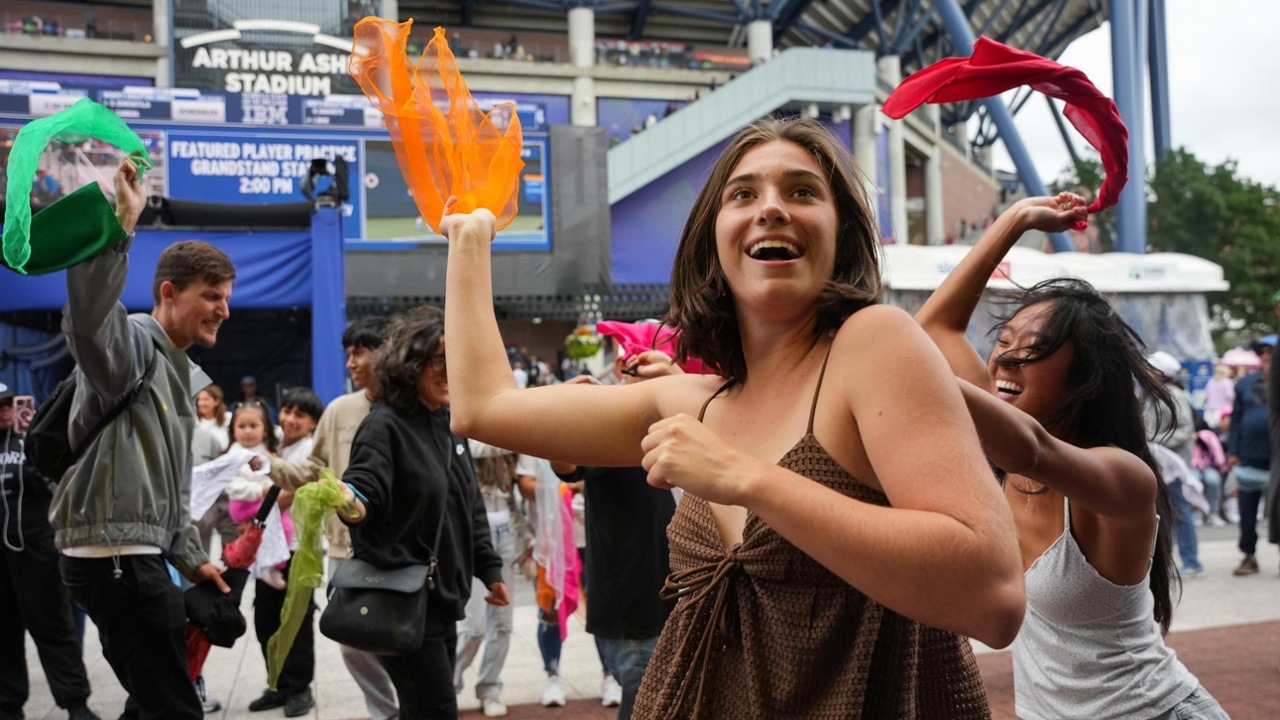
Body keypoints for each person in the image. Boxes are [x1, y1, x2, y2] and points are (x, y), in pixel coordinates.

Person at [442, 117, 1024, 716]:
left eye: (802, 191)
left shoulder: (874, 343)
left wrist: (744, 477)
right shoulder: (692, 401)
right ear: (712, 241)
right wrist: (469, 237)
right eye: (743, 194)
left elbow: (993, 596)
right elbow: (483, 408)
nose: (771, 208)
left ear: (842, 235)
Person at [915, 191, 1228, 719]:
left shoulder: (1121, 477)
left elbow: (1031, 448)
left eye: (1034, 348)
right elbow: (932, 331)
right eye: (1004, 341)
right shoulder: (1005, 446)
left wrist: (901, 364)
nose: (1006, 359)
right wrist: (1015, 220)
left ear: (1087, 382)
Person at [51, 158, 231, 719]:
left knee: (154, 700)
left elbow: (170, 485)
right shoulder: (131, 343)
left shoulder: (178, 371)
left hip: (135, 554)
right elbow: (87, 323)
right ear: (169, 292)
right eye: (211, 295)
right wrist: (120, 227)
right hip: (115, 557)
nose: (224, 310)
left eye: (226, 297)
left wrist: (193, 558)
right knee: (174, 706)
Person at [336, 307, 510, 717]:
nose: (450, 371)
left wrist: (490, 569)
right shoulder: (385, 425)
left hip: (442, 602)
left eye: (456, 360)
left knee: (426, 708)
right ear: (410, 363)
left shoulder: (448, 421)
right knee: (436, 709)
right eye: (438, 360)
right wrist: (351, 503)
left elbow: (469, 505)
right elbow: (364, 487)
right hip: (404, 602)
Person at [267, 316, 398, 720]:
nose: (351, 362)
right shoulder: (340, 410)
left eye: (360, 352)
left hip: (401, 548)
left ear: (387, 352)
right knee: (351, 641)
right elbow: (313, 468)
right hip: (346, 548)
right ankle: (387, 712)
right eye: (348, 354)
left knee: (404, 636)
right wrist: (267, 465)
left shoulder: (409, 408)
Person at [552, 347, 681, 720]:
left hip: (669, 590)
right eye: (640, 366)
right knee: (645, 696)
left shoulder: (676, 421)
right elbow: (567, 466)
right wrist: (562, 412)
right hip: (636, 598)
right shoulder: (614, 424)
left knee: (665, 696)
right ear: (625, 372)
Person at [0, 385, 103, 720]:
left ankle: (76, 703)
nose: (4, 411)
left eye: (8, 404)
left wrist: (34, 452)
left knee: (53, 625)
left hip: (35, 547)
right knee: (3, 632)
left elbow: (59, 484)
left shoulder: (32, 440)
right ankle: (7, 704)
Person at [453, 441, 533, 717]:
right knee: (473, 627)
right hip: (475, 533)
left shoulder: (509, 451)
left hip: (506, 531)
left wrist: (527, 538)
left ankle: (490, 688)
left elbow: (514, 499)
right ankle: (446, 687)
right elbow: (473, 444)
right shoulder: (471, 437)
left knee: (502, 624)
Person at [1144, 351, 1204, 577]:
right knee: (1163, 513)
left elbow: (1184, 430)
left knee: (1180, 511)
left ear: (1161, 372)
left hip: (1174, 466)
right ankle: (1166, 564)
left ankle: (1192, 562)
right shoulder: (1152, 395)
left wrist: (1154, 441)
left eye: (1150, 369)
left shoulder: (1175, 395)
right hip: (1159, 465)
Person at [1228, 336, 1273, 576]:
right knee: (1247, 512)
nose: (1266, 356)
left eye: (1271, 351)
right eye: (1262, 352)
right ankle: (1248, 555)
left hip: (1277, 459)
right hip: (1249, 456)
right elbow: (1236, 418)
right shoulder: (1245, 383)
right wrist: (1233, 450)